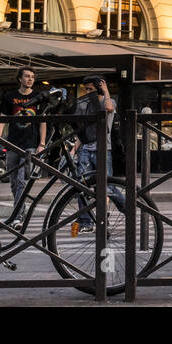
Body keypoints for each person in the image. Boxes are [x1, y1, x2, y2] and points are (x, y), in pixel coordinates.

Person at [73, 75, 120, 232]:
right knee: (82, 185)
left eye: (90, 89)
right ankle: (86, 222)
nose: (87, 92)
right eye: (85, 89)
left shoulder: (107, 101)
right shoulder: (85, 105)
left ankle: (127, 207)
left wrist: (105, 90)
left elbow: (109, 109)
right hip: (86, 149)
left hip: (103, 150)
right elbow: (82, 131)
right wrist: (74, 149)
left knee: (108, 187)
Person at [0, 67, 49, 206]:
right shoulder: (10, 97)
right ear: (20, 79)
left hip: (30, 144)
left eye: (32, 76)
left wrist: (42, 143)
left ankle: (18, 214)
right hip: (12, 143)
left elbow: (42, 122)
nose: (30, 79)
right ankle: (19, 209)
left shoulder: (38, 98)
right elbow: (2, 119)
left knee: (21, 179)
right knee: (13, 181)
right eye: (27, 76)